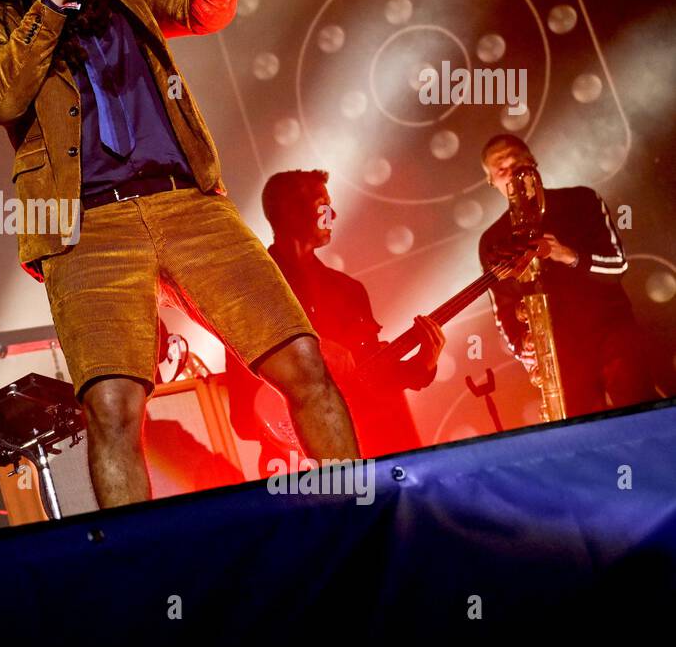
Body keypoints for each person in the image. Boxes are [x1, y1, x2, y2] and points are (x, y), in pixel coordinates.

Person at [0, 0, 359, 507]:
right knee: (112, 411)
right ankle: (146, 579)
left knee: (303, 360)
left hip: (187, 202)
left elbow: (199, 9)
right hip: (86, 229)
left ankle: (366, 523)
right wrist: (53, 2)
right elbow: (1, 94)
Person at [227, 170, 445, 458]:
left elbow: (368, 375)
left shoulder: (348, 290)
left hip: (365, 452)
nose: (334, 215)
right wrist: (308, 353)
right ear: (291, 212)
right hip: (295, 469)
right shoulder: (251, 292)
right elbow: (243, 416)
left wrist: (422, 365)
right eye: (323, 205)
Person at [478, 134, 660, 417]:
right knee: (583, 442)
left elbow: (618, 266)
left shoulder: (582, 199)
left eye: (518, 161)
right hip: (560, 358)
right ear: (492, 181)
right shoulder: (492, 241)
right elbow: (502, 313)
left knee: (641, 422)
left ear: (533, 162)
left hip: (612, 337)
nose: (512, 171)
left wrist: (567, 255)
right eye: (501, 168)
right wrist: (524, 351)